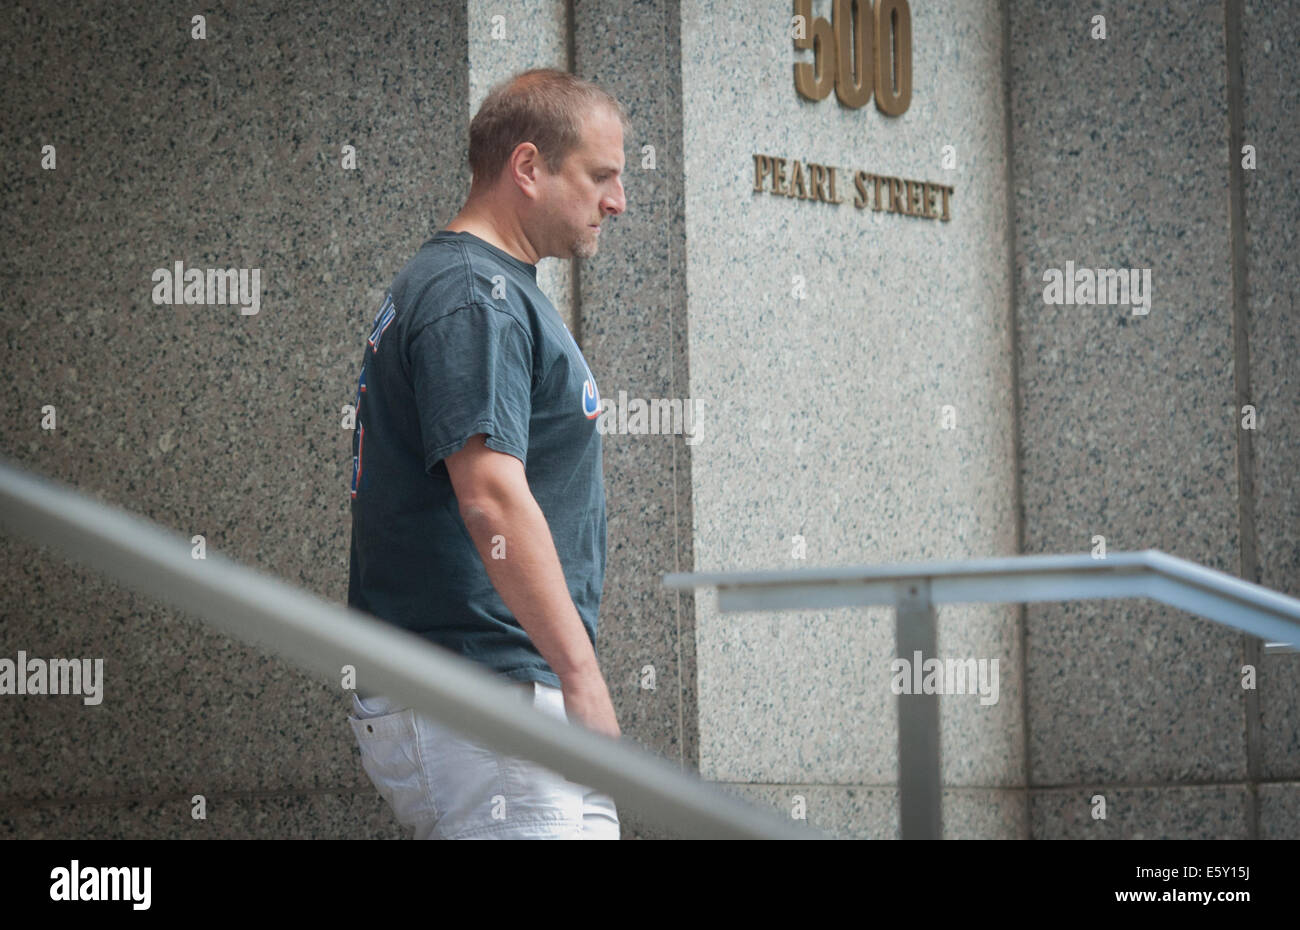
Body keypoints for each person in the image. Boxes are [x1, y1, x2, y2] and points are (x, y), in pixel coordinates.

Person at [344, 68, 628, 839]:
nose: (618, 201)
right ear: (528, 167)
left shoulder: (491, 288)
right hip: (480, 691)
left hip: (498, 690)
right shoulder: (475, 293)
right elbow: (491, 495)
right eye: (601, 176)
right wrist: (581, 677)